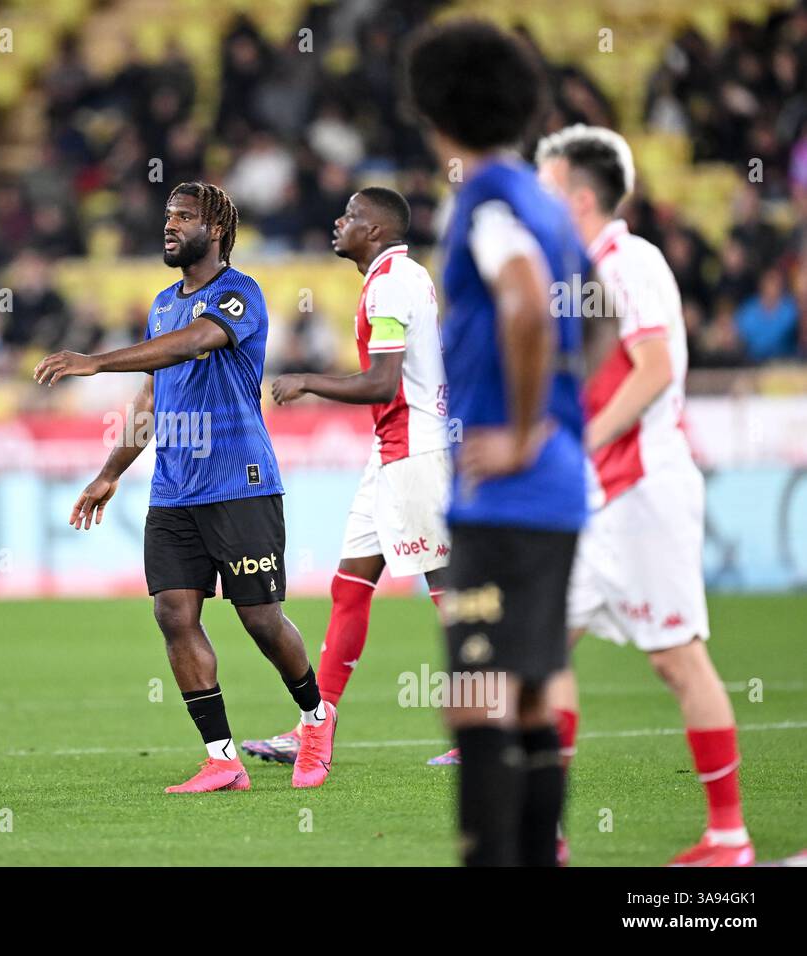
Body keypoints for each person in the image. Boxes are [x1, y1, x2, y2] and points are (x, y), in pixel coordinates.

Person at [33, 182, 336, 792]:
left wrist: (95, 361)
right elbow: (152, 395)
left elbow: (197, 341)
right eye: (167, 216)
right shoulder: (162, 303)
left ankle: (315, 717)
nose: (169, 226)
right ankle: (222, 758)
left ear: (216, 230)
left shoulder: (239, 293)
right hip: (174, 486)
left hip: (240, 480)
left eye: (184, 217)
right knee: (174, 612)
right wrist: (109, 473)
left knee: (260, 618)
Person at [537, 124, 754, 866]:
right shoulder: (576, 270)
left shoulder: (626, 263)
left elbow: (654, 366)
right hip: (592, 498)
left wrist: (582, 441)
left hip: (643, 490)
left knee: (677, 659)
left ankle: (729, 836)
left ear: (582, 195)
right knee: (540, 653)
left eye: (549, 186)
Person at [403, 20, 588, 866]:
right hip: (557, 485)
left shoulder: (483, 198)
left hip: (504, 484)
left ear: (436, 115)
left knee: (475, 698)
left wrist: (515, 435)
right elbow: (593, 315)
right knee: (534, 692)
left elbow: (521, 297)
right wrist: (552, 426)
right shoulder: (550, 202)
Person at [241, 187, 452, 765]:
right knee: (350, 588)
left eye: (353, 215)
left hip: (414, 455)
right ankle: (316, 728)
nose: (340, 221)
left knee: (451, 595)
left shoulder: (389, 284)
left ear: (377, 231)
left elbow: (382, 382)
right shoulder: (401, 277)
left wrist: (309, 380)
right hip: (390, 453)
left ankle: (488, 730)